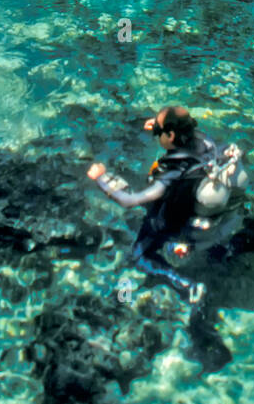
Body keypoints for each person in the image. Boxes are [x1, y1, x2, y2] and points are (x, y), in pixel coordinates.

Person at [87, 105, 218, 301]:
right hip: (191, 205)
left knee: (140, 256)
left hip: (168, 219)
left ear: (171, 135)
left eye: (159, 131)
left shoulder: (171, 175)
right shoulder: (206, 143)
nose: (156, 134)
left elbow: (129, 201)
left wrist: (101, 179)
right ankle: (210, 248)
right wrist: (159, 125)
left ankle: (186, 285)